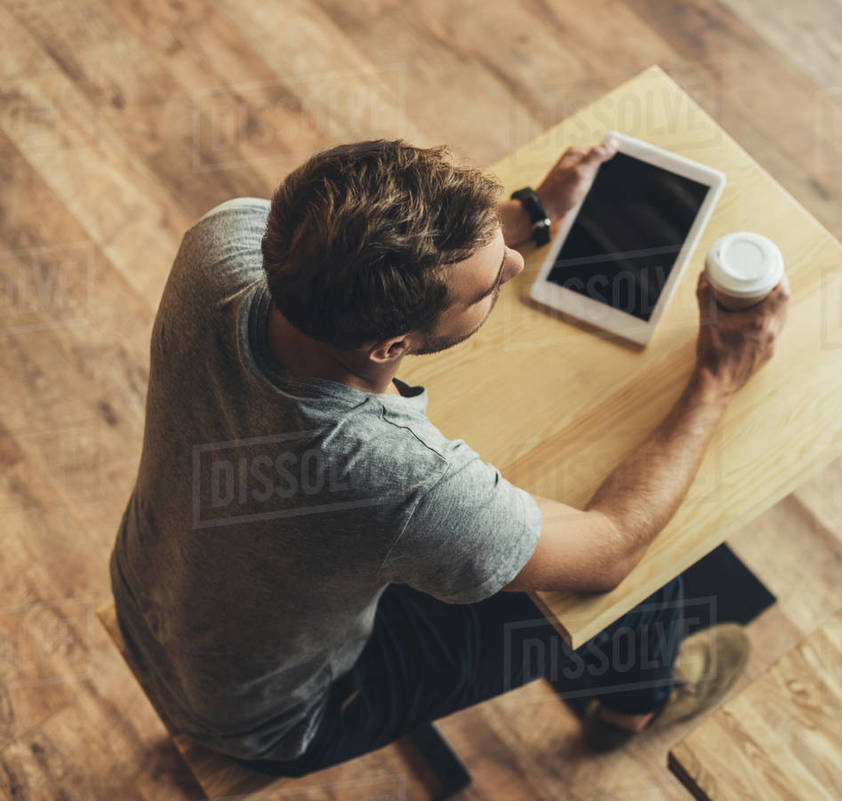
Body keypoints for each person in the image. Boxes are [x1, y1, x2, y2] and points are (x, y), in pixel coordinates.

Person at [108, 138, 790, 775]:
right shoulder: (397, 478)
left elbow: (353, 258)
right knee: (651, 581)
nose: (516, 266)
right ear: (391, 344)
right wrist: (717, 378)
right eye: (493, 282)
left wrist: (524, 215)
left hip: (152, 593)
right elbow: (609, 549)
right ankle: (630, 711)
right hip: (269, 716)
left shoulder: (223, 243)